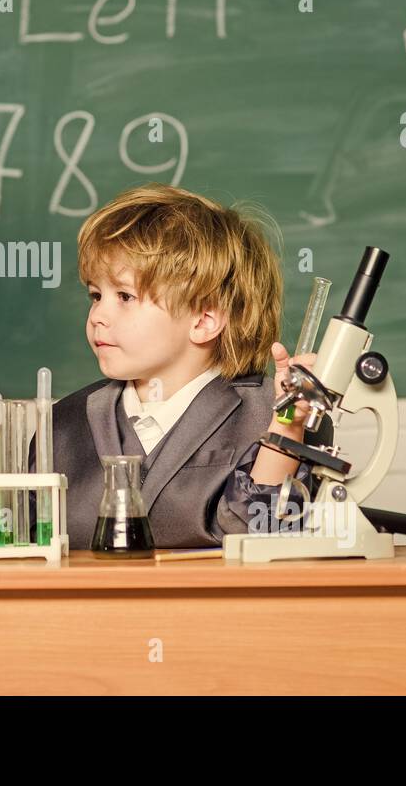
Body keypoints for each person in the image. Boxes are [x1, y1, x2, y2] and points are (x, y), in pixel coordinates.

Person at [51, 183, 329, 548]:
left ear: (204, 319)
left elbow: (261, 536)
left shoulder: (273, 415)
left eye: (124, 296)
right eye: (95, 295)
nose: (98, 315)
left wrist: (287, 431)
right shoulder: (63, 424)